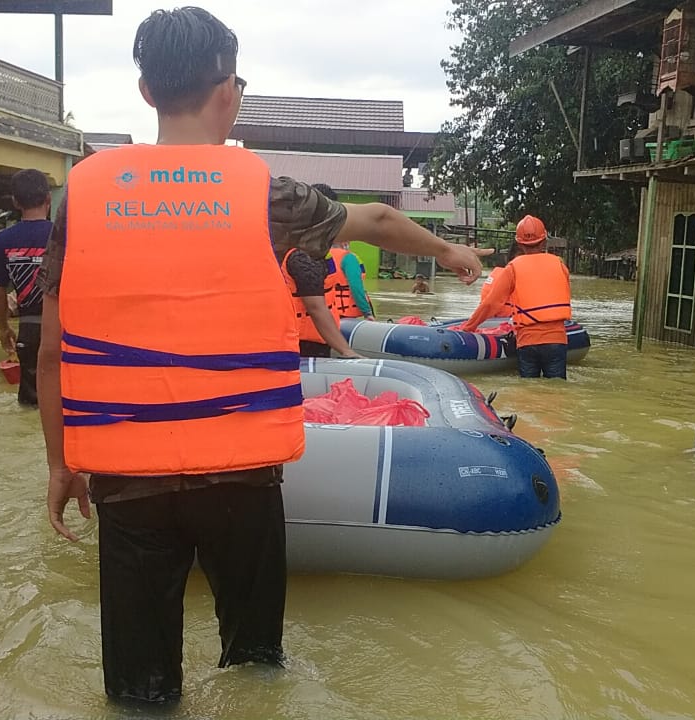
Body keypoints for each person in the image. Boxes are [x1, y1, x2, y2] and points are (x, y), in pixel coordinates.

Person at [36, 6, 483, 705]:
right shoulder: (263, 193)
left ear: (147, 92)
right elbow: (378, 220)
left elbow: (52, 348)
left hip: (126, 479)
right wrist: (451, 250)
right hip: (240, 476)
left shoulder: (81, 196)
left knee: (138, 689)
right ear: (229, 91)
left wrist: (60, 462)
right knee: (254, 666)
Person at [460, 215, 572, 379]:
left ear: (519, 243)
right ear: (544, 241)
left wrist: (468, 328)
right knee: (556, 389)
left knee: (528, 390)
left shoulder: (513, 268)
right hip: (556, 341)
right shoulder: (560, 264)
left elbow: (491, 304)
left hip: (527, 342)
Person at [0, 168, 52, 407]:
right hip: (62, 329)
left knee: (29, 403)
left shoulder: (4, 239)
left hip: (28, 329)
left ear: (15, 201)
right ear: (48, 198)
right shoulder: (63, 235)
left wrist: (4, 327)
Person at [282, 246, 362, 358]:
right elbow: (315, 307)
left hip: (317, 336)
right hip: (303, 341)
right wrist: (346, 350)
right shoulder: (303, 258)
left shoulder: (318, 252)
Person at [312, 183, 375, 320]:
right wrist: (368, 313)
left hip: (323, 314)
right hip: (345, 317)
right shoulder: (349, 259)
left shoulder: (314, 253)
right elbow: (356, 287)